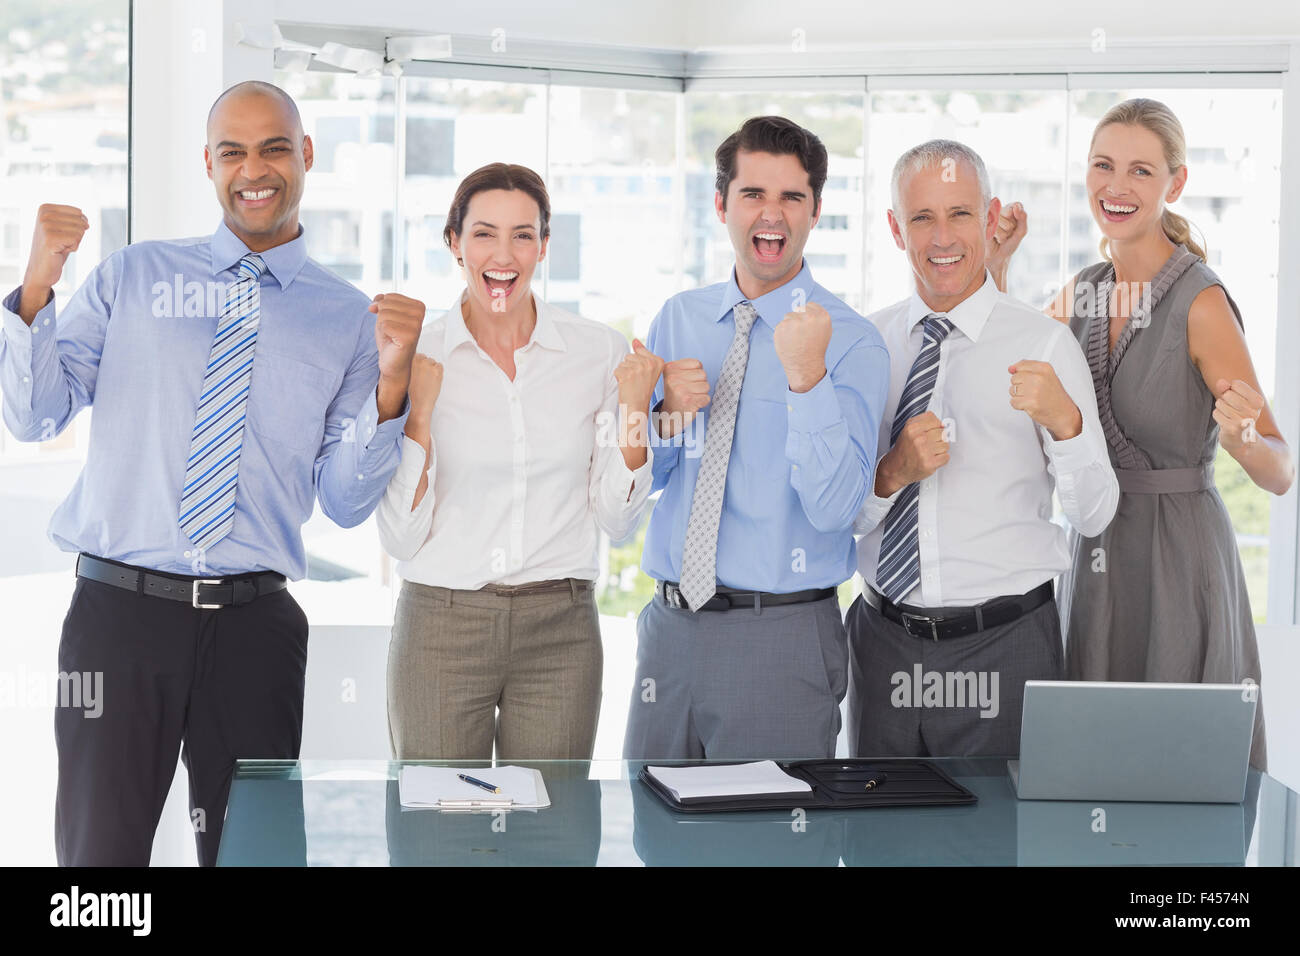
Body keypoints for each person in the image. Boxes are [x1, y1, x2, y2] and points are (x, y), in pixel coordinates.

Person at [0, 81, 423, 866]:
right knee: (99, 861)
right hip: (117, 617)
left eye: (273, 147)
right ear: (208, 163)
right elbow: (36, 417)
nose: (253, 169)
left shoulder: (348, 318)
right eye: (233, 150)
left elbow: (343, 501)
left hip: (253, 628)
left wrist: (392, 384)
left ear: (306, 155)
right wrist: (34, 290)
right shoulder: (133, 277)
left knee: (254, 854)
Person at [989, 98, 1293, 770]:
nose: (1116, 187)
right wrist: (999, 265)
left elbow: (1280, 468)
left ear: (1174, 185)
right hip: (1098, 548)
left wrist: (1244, 441)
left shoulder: (1201, 302)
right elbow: (1011, 359)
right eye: (1103, 166)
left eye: (1139, 171)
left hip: (1180, 556)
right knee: (1096, 763)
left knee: (1179, 762)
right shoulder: (1084, 289)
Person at [622, 115, 891, 761]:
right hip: (668, 632)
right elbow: (642, 482)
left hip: (782, 636)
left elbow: (836, 511)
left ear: (816, 210)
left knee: (769, 840)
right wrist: (662, 420)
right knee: (658, 836)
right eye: (753, 195)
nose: (771, 215)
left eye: (791, 197)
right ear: (721, 204)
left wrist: (807, 379)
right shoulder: (679, 318)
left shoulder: (852, 341)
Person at [377, 163, 661, 761]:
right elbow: (400, 538)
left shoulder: (597, 352)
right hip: (441, 623)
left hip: (560, 627)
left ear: (544, 246)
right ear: (453, 243)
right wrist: (419, 419)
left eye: (522, 235)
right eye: (483, 233)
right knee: (436, 830)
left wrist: (636, 409)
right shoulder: (413, 354)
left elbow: (618, 520)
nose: (503, 253)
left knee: (553, 835)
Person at [847, 139, 1119, 758]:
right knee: (875, 845)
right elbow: (837, 516)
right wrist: (890, 474)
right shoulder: (867, 346)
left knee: (996, 847)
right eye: (923, 217)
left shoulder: (1044, 346)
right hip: (880, 643)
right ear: (895, 228)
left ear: (990, 217)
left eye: (961, 214)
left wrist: (1068, 424)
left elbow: (1094, 515)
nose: (943, 237)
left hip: (1004, 647)